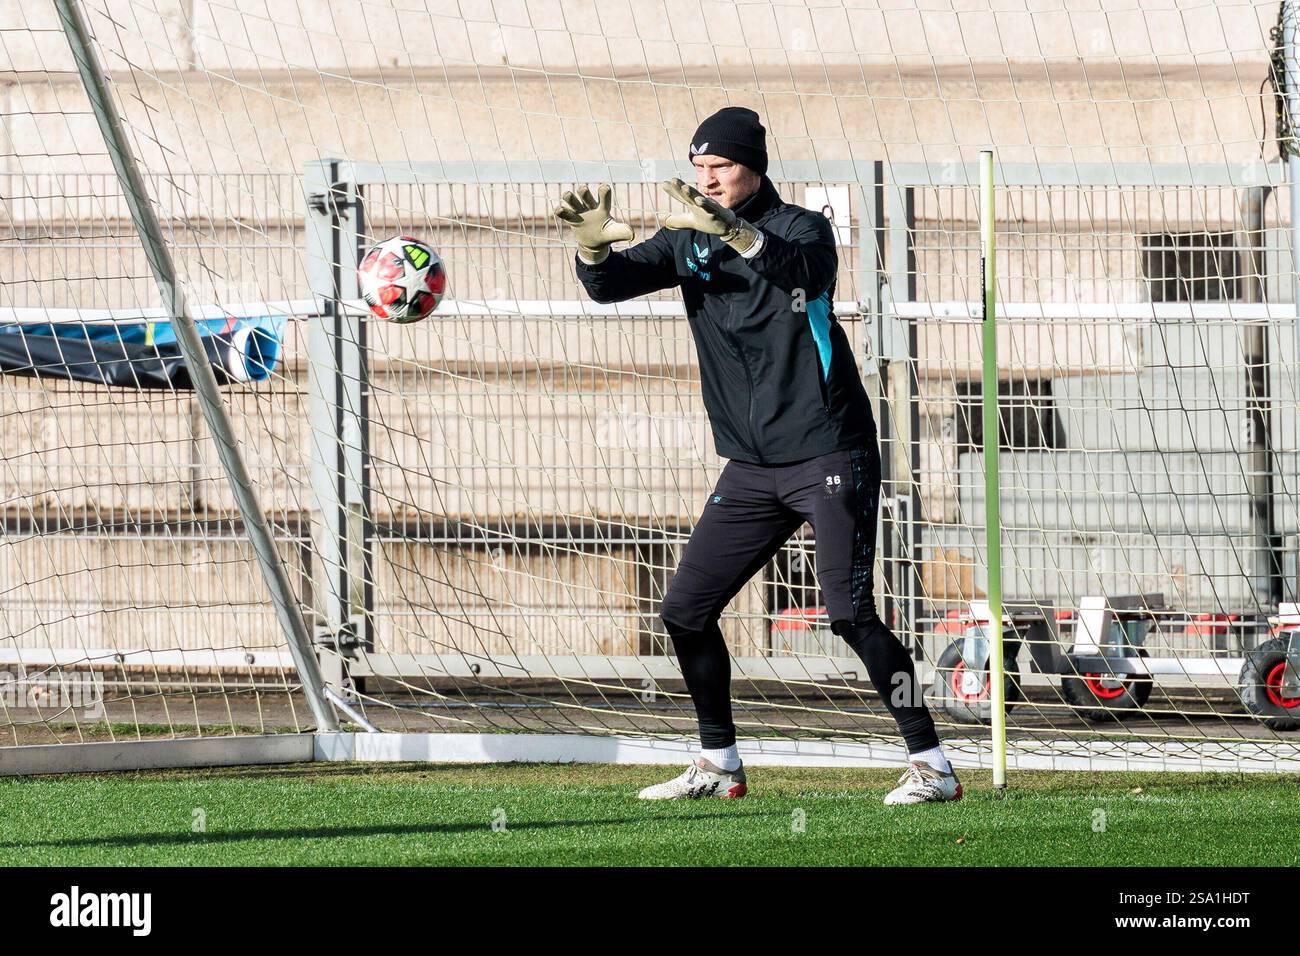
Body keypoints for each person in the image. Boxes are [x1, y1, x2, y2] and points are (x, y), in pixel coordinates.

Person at [554, 107, 960, 805]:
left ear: (755, 167)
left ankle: (933, 765)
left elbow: (798, 272)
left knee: (849, 613)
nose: (708, 179)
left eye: (722, 167)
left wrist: (736, 234)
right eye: (700, 169)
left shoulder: (803, 228)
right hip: (750, 467)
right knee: (685, 611)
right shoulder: (688, 233)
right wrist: (591, 250)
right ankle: (719, 763)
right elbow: (610, 284)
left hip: (827, 452)